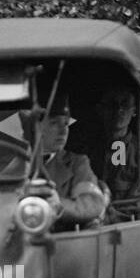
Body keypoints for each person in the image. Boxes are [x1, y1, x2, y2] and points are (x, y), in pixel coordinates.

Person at [68, 79, 140, 221]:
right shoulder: (81, 150)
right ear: (100, 109)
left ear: (134, 110)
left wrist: (104, 216)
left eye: (125, 104)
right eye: (112, 104)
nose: (119, 110)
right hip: (79, 220)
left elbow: (137, 203)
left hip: (121, 229)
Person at [17, 91, 108, 225]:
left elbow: (92, 203)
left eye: (66, 123)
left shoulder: (77, 163)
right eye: (54, 123)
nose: (63, 130)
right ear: (33, 127)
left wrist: (58, 205)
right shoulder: (9, 162)